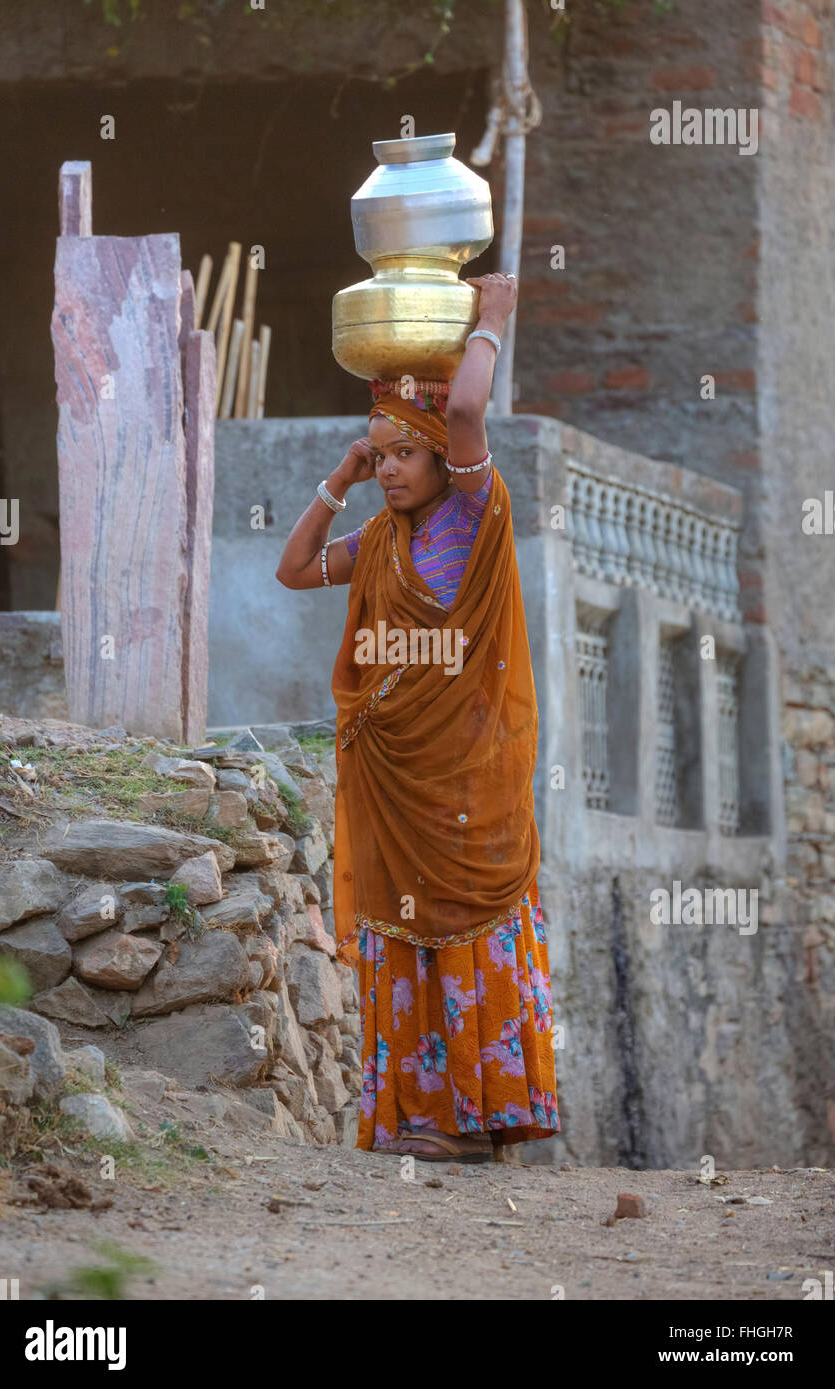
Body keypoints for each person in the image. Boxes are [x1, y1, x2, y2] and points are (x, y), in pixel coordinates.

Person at [276, 272, 559, 1162]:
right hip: (397, 776)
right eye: (381, 454)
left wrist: (494, 316)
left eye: (403, 453)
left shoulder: (476, 513)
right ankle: (425, 1118)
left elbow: (470, 411)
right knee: (408, 936)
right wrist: (343, 474)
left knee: (471, 926)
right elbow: (293, 570)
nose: (390, 468)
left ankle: (483, 1122)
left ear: (442, 456)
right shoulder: (381, 542)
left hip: (468, 773)